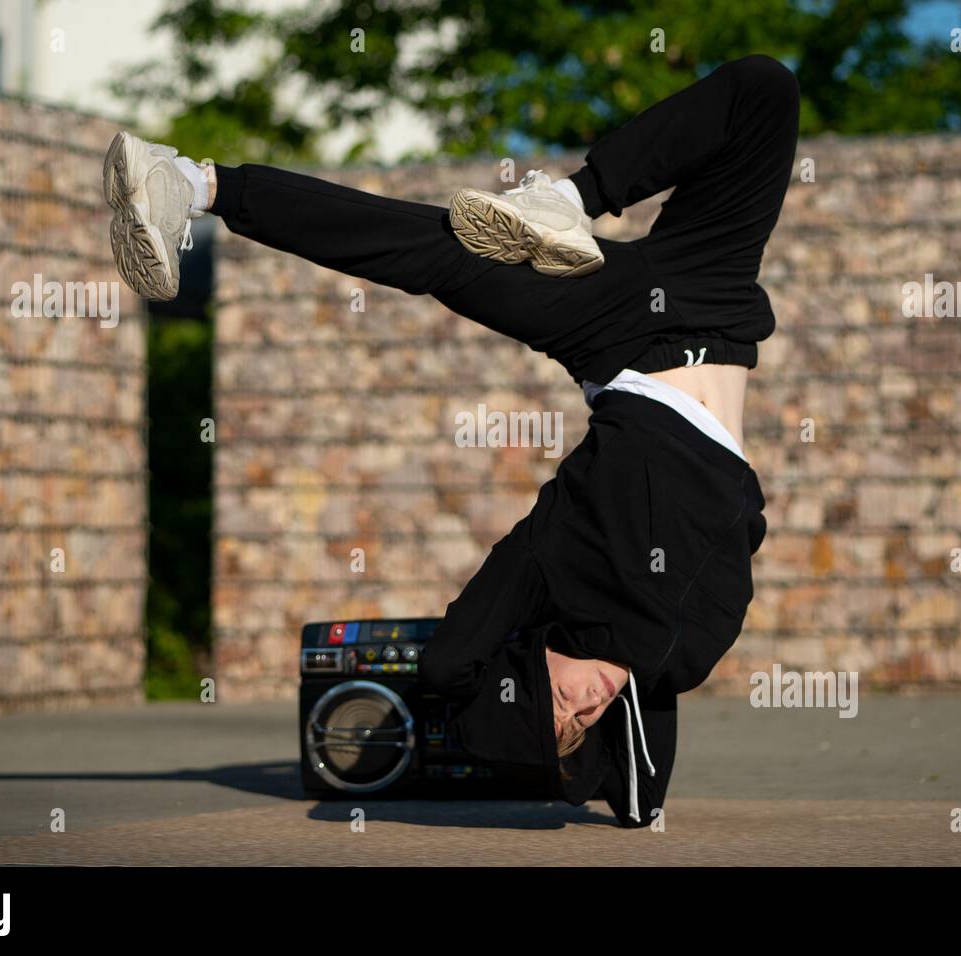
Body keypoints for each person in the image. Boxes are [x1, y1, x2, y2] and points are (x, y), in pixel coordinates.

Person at [103, 53, 799, 827]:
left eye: (556, 706)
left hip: (619, 341)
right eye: (579, 727)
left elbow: (449, 660)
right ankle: (564, 201)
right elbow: (640, 797)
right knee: (766, 90)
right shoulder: (676, 659)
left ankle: (192, 186)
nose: (580, 707)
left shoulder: (548, 576)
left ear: (532, 667)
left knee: (431, 252)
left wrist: (463, 693)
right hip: (716, 303)